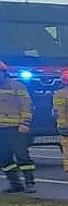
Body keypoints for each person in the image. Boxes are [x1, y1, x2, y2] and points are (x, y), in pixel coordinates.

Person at [0, 60, 34, 193]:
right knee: (3, 158)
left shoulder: (17, 87)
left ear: (4, 73)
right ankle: (15, 183)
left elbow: (26, 106)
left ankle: (29, 183)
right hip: (1, 130)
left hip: (16, 128)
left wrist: (25, 123)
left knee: (22, 156)